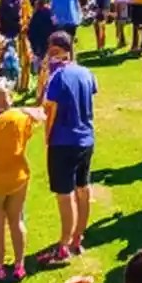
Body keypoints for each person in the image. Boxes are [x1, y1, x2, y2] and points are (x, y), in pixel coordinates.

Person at [0, 78, 47, 282]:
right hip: (17, 177)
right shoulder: (20, 118)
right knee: (17, 221)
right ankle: (19, 265)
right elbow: (39, 114)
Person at [38, 33, 97, 266]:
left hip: (63, 141)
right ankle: (77, 238)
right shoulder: (85, 72)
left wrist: (47, 137)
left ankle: (63, 246)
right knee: (83, 188)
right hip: (86, 139)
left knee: (65, 195)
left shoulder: (57, 77)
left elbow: (49, 109)